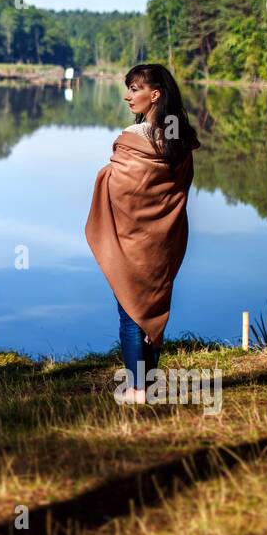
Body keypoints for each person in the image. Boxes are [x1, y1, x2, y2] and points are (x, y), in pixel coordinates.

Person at [84, 64, 201, 404]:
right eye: (128, 88)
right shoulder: (180, 137)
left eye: (134, 89)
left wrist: (107, 172)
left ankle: (137, 390)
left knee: (131, 311)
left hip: (132, 240)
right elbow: (178, 187)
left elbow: (124, 188)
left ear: (155, 94)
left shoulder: (132, 138)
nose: (127, 95)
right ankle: (147, 386)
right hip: (164, 237)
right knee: (151, 308)